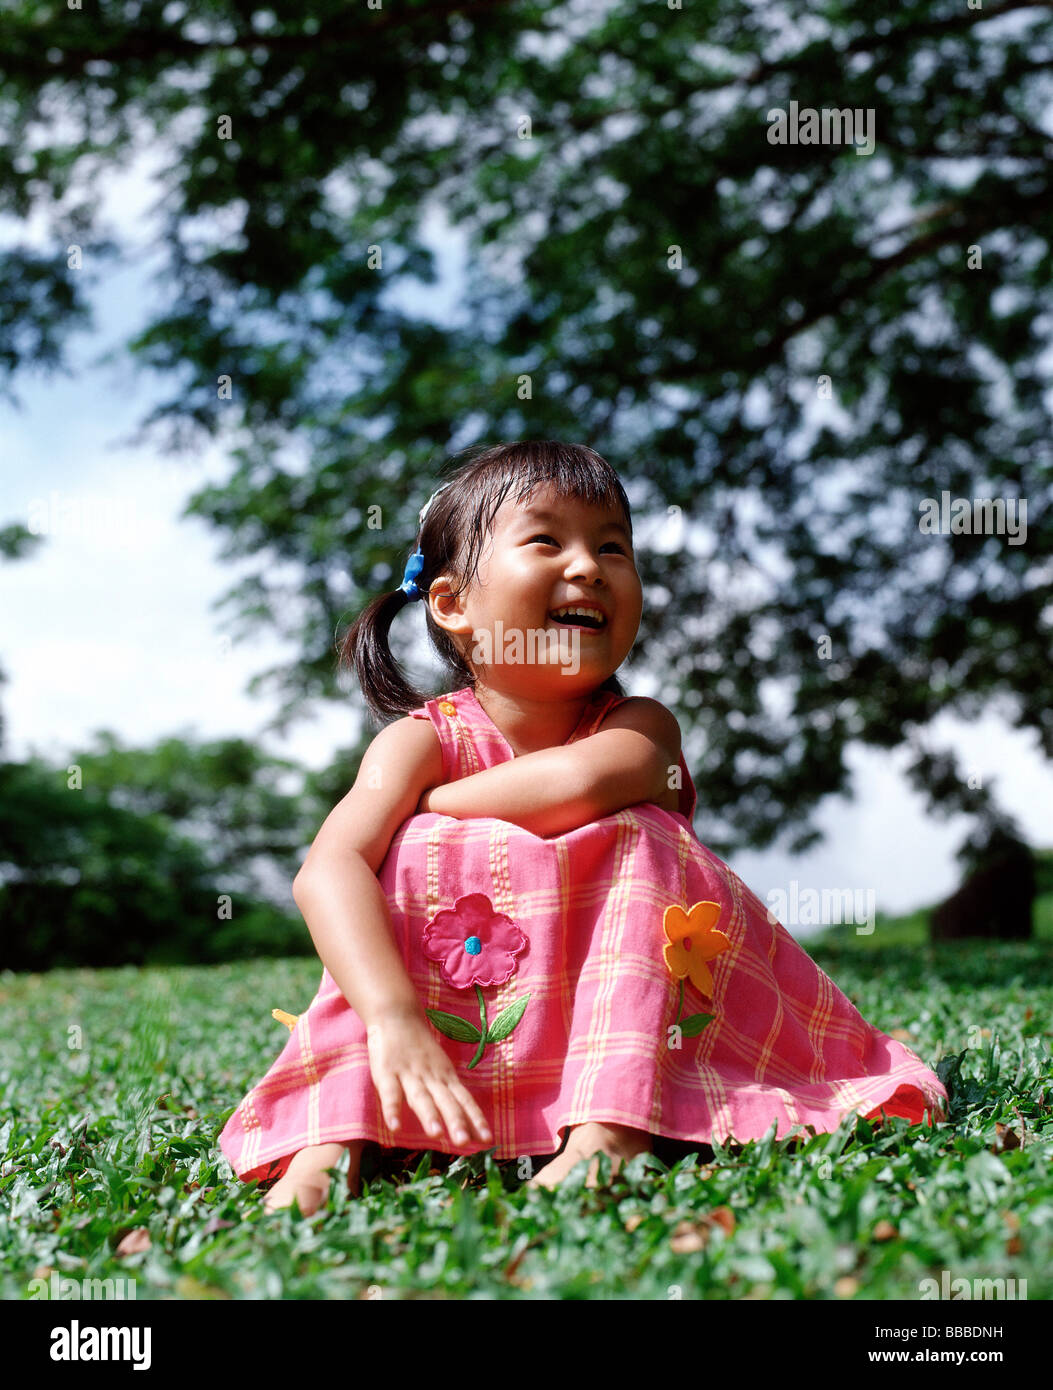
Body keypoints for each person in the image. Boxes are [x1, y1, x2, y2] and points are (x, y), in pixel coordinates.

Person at [218, 440, 948, 1215]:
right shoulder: (418, 740)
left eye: (612, 546)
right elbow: (327, 869)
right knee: (391, 872)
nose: (588, 565)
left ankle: (610, 1128)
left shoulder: (637, 725)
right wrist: (393, 1014)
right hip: (444, 1023)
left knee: (624, 829)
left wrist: (425, 813)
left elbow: (577, 785)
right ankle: (335, 1139)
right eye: (545, 540)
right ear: (452, 603)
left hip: (628, 1023)